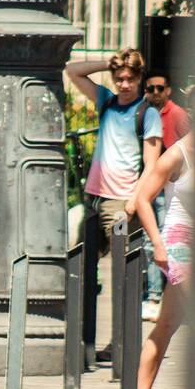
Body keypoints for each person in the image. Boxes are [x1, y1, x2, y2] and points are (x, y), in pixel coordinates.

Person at [64, 48, 163, 256]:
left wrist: (133, 202)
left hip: (121, 202)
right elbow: (72, 70)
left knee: (123, 263)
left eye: (130, 78)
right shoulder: (106, 101)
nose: (124, 85)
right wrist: (109, 63)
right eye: (119, 79)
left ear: (139, 78)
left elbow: (152, 164)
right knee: (85, 264)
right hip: (94, 198)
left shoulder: (147, 113)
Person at [133, 130, 195, 389]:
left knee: (168, 323)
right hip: (178, 241)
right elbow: (143, 198)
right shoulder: (177, 154)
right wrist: (158, 244)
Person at [140, 70, 192, 321]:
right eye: (150, 89)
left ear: (168, 90)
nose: (155, 93)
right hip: (172, 188)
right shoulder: (149, 112)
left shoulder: (177, 115)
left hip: (176, 185)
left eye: (160, 88)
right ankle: (152, 295)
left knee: (164, 329)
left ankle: (153, 297)